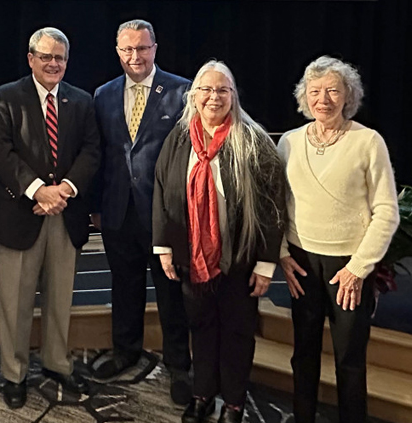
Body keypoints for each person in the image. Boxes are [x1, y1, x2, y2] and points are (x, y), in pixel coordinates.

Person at [152, 60, 288, 423]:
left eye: (222, 90)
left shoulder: (253, 140)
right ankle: (202, 395)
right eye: (207, 90)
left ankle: (233, 403)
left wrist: (266, 263)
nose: (214, 97)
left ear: (234, 95)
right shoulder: (179, 137)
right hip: (192, 257)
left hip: (239, 260)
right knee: (201, 329)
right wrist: (163, 247)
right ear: (193, 95)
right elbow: (162, 191)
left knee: (237, 333)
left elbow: (273, 205)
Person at [278, 56, 399, 423]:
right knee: (304, 353)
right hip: (301, 263)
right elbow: (276, 205)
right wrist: (282, 253)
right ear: (304, 97)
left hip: (348, 268)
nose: (324, 99)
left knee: (349, 359)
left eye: (333, 90)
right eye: (315, 91)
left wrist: (358, 268)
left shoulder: (368, 142)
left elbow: (387, 212)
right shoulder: (288, 142)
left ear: (349, 95)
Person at [0, 27, 100, 409]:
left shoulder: (81, 100)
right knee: (14, 302)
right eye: (46, 57)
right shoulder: (6, 96)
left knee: (60, 298)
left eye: (60, 58)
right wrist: (38, 191)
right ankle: (14, 373)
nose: (53, 64)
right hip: (20, 213)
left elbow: (91, 151)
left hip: (65, 216)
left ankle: (56, 362)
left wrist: (63, 190)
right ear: (31, 58)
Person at [89, 19, 192, 404]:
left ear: (155, 48)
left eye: (143, 48)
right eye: (128, 49)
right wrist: (96, 206)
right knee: (125, 286)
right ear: (118, 52)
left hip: (166, 216)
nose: (136, 56)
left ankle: (178, 365)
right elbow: (98, 155)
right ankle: (125, 351)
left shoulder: (182, 91)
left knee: (172, 293)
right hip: (118, 212)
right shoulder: (103, 94)